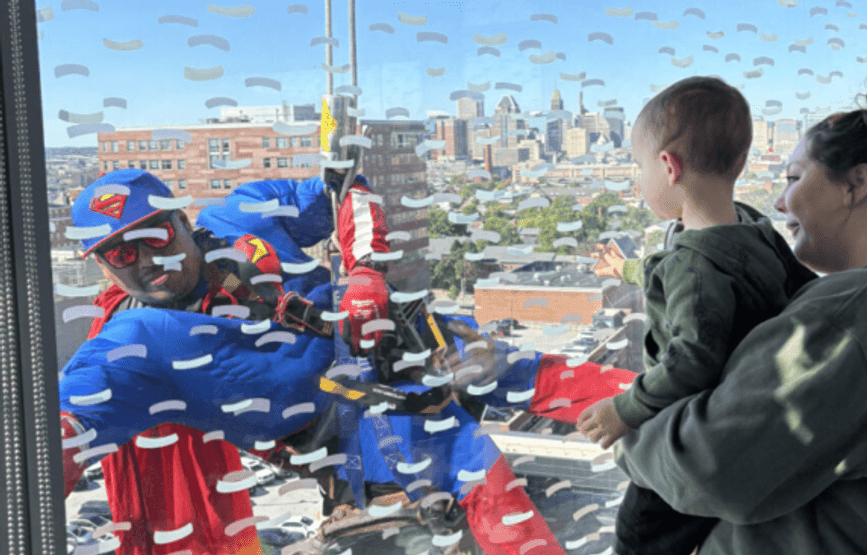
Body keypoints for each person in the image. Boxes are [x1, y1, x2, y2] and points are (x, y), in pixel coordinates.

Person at [59, 169, 637, 555]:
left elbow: (343, 183)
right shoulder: (134, 344)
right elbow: (59, 431)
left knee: (561, 380)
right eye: (120, 254)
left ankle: (691, 403)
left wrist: (364, 268)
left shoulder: (243, 215)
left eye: (155, 235)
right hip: (361, 430)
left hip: (407, 341)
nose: (145, 261)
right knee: (491, 487)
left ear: (182, 219)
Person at [608, 68, 867, 554]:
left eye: (794, 178)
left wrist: (628, 426)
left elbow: (712, 468)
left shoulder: (854, 316)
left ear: (855, 184)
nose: (780, 201)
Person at [573, 76, 819, 555]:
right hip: (747, 421)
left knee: (638, 536)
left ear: (667, 167)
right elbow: (800, 292)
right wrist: (625, 268)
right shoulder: (755, 228)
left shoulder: (695, 265)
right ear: (742, 161)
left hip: (688, 432)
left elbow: (691, 360)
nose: (637, 179)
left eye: (637, 167)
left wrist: (624, 410)